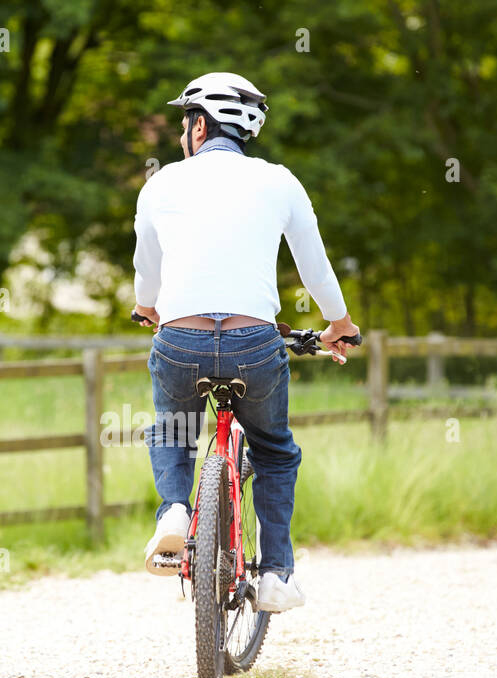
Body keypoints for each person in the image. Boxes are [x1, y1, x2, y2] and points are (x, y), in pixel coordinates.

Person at [132, 72, 360, 613]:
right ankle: (277, 574)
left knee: (172, 427)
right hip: (255, 343)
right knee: (276, 451)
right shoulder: (280, 180)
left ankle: (173, 511)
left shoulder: (160, 183)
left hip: (180, 339)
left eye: (184, 122)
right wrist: (338, 324)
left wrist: (148, 307)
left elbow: (146, 267)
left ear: (201, 124)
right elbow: (315, 266)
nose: (181, 133)